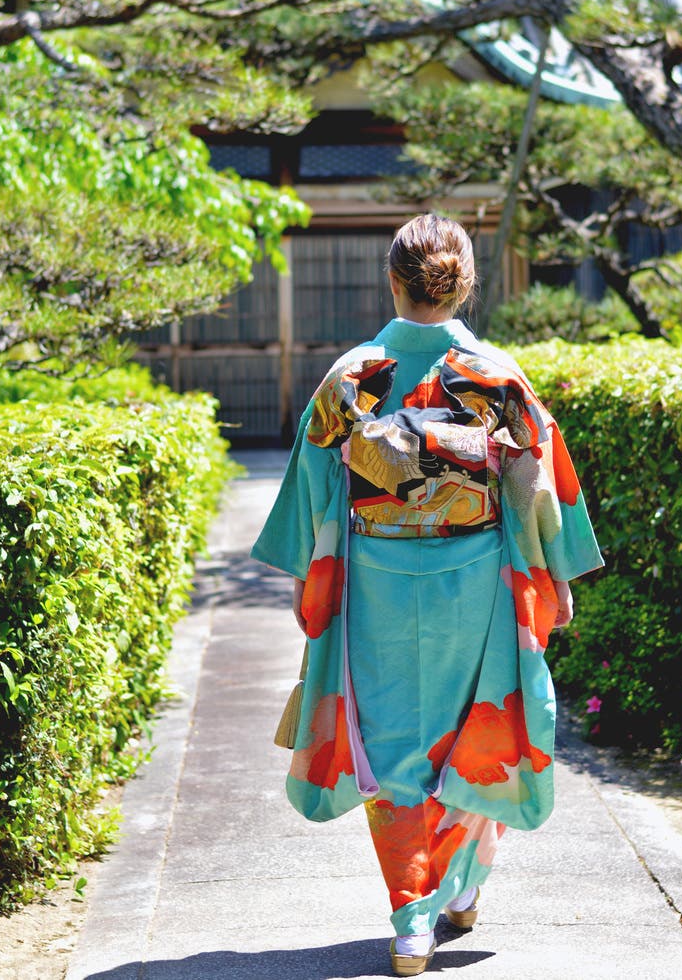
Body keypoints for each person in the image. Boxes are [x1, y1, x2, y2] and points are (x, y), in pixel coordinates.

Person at [252, 213, 603, 976]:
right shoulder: (499, 376)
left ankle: (414, 919)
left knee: (394, 747)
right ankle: (461, 885)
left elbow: (313, 495)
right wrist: (557, 581)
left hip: (378, 578)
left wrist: (314, 584)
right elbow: (540, 485)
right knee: (479, 732)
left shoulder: (351, 375)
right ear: (466, 282)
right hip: (474, 576)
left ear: (392, 280)